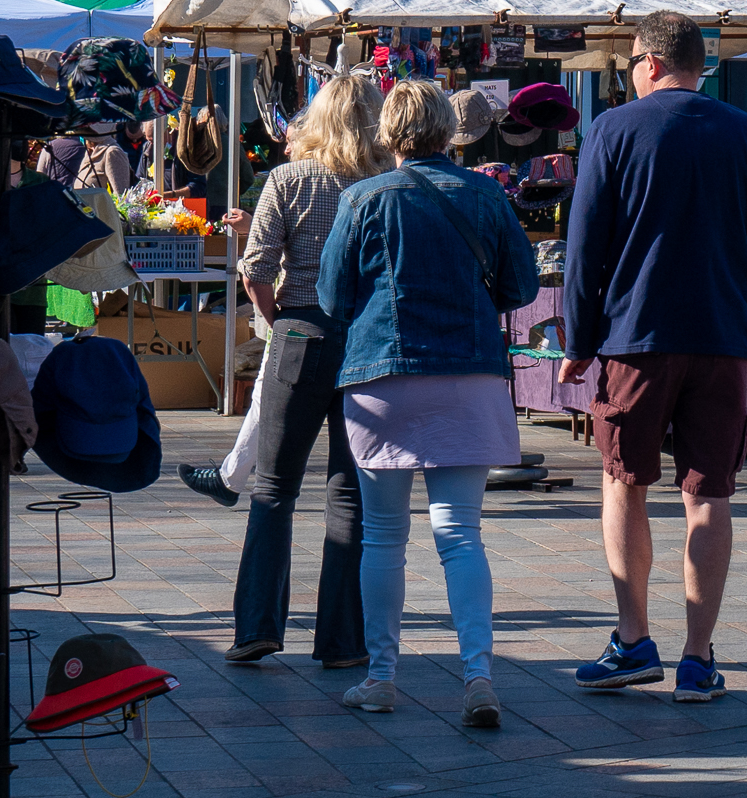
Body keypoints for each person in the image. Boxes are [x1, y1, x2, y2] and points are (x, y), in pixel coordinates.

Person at [558, 13, 747, 701]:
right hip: (722, 335)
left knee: (625, 482)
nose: (628, 72)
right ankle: (696, 658)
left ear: (652, 61)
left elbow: (584, 245)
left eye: (630, 60)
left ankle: (633, 639)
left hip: (636, 335)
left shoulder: (613, 130)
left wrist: (578, 341)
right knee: (709, 495)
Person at [321, 81, 541, 729]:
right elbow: (522, 285)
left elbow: (333, 297)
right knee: (461, 534)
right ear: (451, 131)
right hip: (467, 375)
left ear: (388, 132)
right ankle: (477, 675)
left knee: (384, 537)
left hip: (381, 373)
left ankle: (381, 676)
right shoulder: (485, 195)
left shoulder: (361, 198)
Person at [222, 76, 379, 671]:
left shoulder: (288, 180)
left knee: (273, 485)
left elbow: (255, 266)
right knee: (348, 491)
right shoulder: (379, 186)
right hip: (363, 338)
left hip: (299, 332)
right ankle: (341, 640)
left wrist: (277, 319)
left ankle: (257, 626)